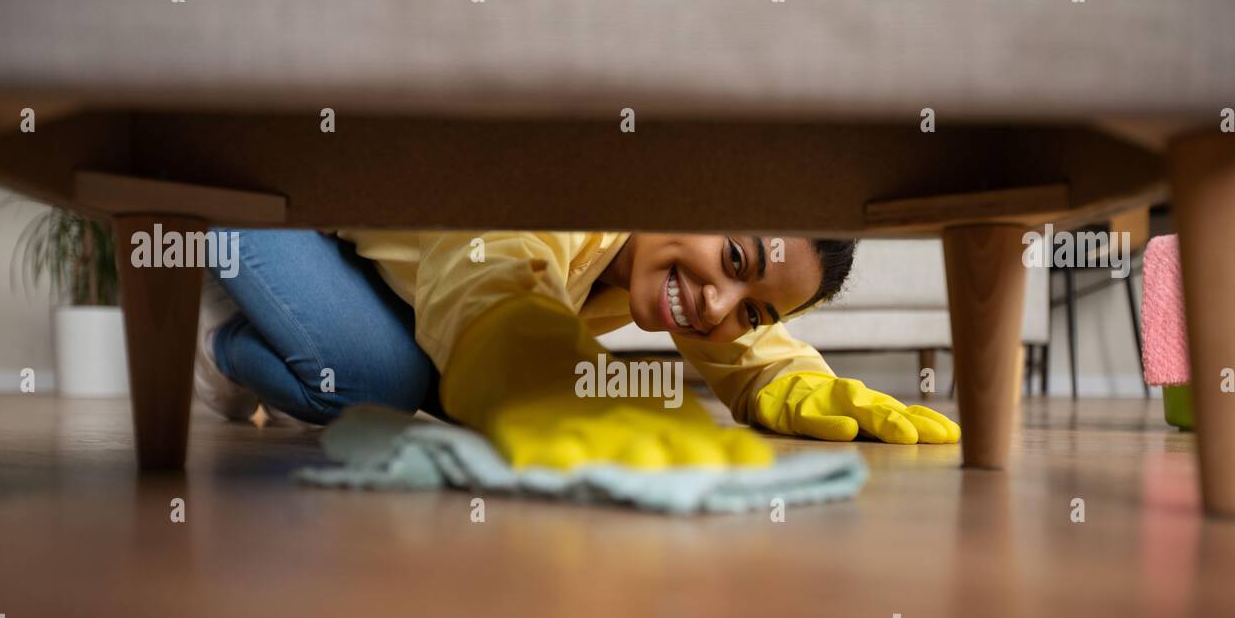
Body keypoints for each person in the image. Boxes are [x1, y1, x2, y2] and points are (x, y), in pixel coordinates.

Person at [195, 230, 959, 468]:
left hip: (376, 256)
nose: (718, 305)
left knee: (437, 388)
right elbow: (491, 263)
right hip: (275, 201)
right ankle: (212, 335)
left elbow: (745, 338)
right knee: (374, 386)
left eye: (752, 308)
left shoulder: (674, 257)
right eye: (733, 257)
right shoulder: (576, 191)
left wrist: (792, 383)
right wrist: (530, 362)